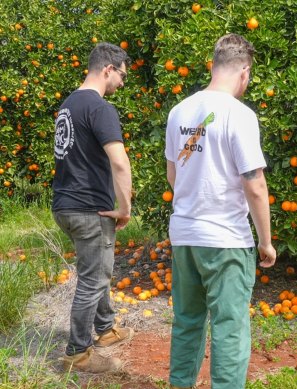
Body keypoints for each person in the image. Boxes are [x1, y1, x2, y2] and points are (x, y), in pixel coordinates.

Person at [165, 33, 277, 389]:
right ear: (244, 72)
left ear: (213, 65)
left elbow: (173, 173)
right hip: (226, 240)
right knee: (229, 327)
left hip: (184, 236)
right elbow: (255, 185)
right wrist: (266, 242)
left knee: (187, 321)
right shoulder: (239, 115)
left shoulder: (178, 111)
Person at [52, 42, 134, 373]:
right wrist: (125, 207)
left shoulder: (68, 105)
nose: (123, 83)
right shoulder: (100, 108)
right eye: (122, 75)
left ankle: (106, 329)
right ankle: (78, 353)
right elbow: (119, 162)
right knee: (94, 278)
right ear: (107, 70)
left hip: (65, 204)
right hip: (90, 208)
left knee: (94, 268)